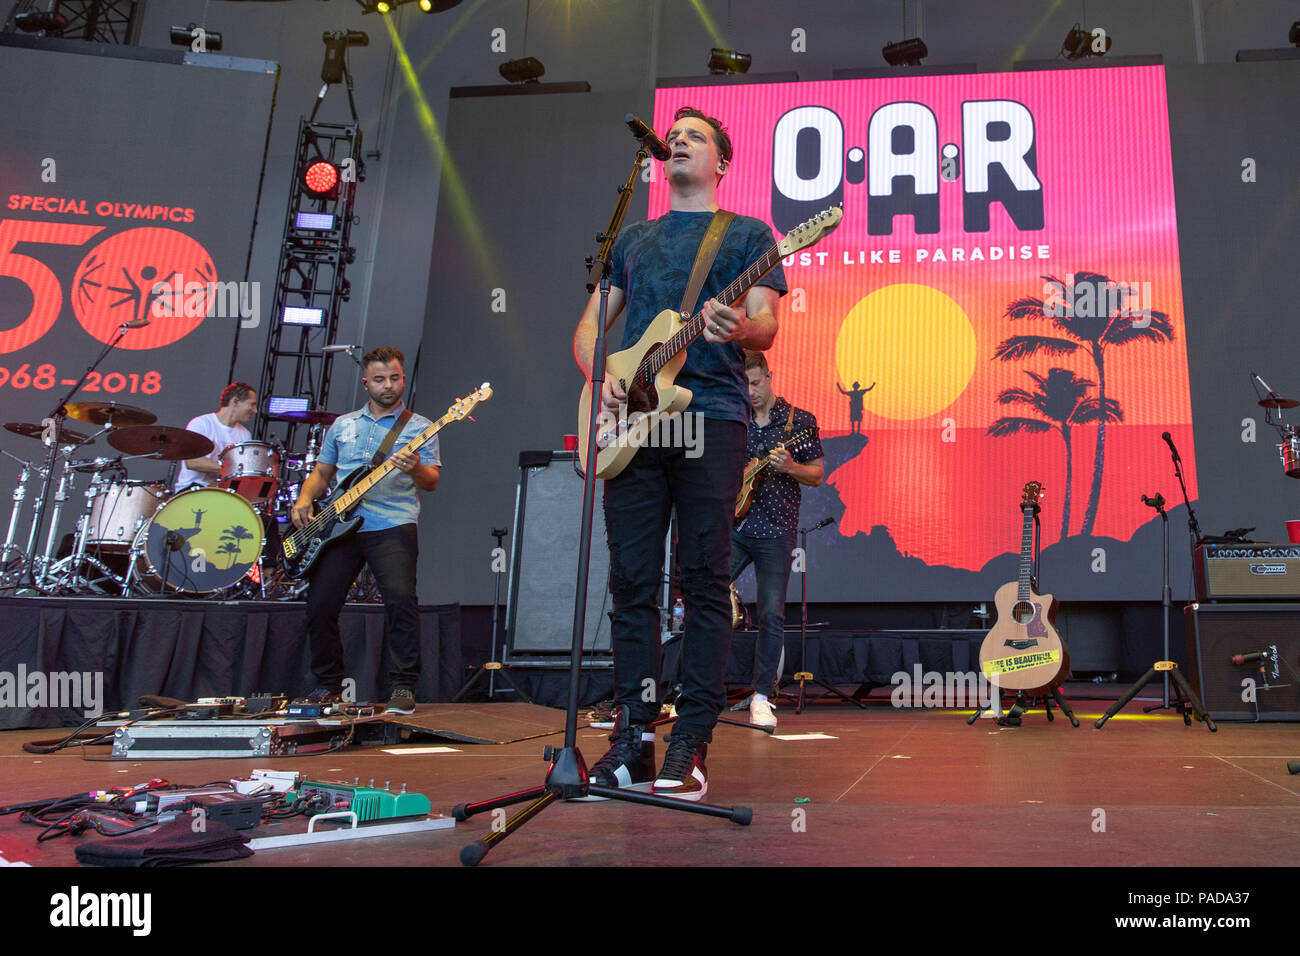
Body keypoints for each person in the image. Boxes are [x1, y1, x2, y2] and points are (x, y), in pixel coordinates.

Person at [572, 106, 786, 801]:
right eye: (678, 136)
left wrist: (738, 328)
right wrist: (600, 374)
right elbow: (588, 332)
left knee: (702, 582)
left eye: (696, 137)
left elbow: (767, 328)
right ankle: (632, 735)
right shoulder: (632, 238)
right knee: (632, 583)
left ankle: (691, 742)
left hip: (710, 419)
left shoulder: (749, 234)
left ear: (721, 162)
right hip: (633, 425)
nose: (681, 143)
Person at [290, 347, 440, 715]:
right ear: (366, 383)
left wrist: (415, 468)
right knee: (321, 604)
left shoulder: (420, 427)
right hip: (339, 528)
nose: (388, 386)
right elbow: (323, 472)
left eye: (395, 378)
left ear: (403, 378)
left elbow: (432, 481)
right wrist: (304, 499)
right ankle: (328, 685)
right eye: (379, 379)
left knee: (401, 601)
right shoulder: (343, 425)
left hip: (392, 522)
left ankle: (402, 686)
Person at [731, 351, 823, 728]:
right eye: (744, 384)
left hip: (775, 530)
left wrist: (790, 467)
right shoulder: (733, 419)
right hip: (734, 527)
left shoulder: (799, 422)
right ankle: (692, 688)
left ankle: (762, 696)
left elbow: (816, 475)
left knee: (771, 614)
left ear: (770, 377)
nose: (751, 391)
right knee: (703, 598)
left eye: (756, 382)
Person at [174, 382, 258, 490]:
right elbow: (192, 461)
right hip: (192, 490)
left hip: (222, 492)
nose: (255, 411)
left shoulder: (245, 434)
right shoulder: (201, 423)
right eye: (252, 404)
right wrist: (231, 469)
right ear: (235, 401)